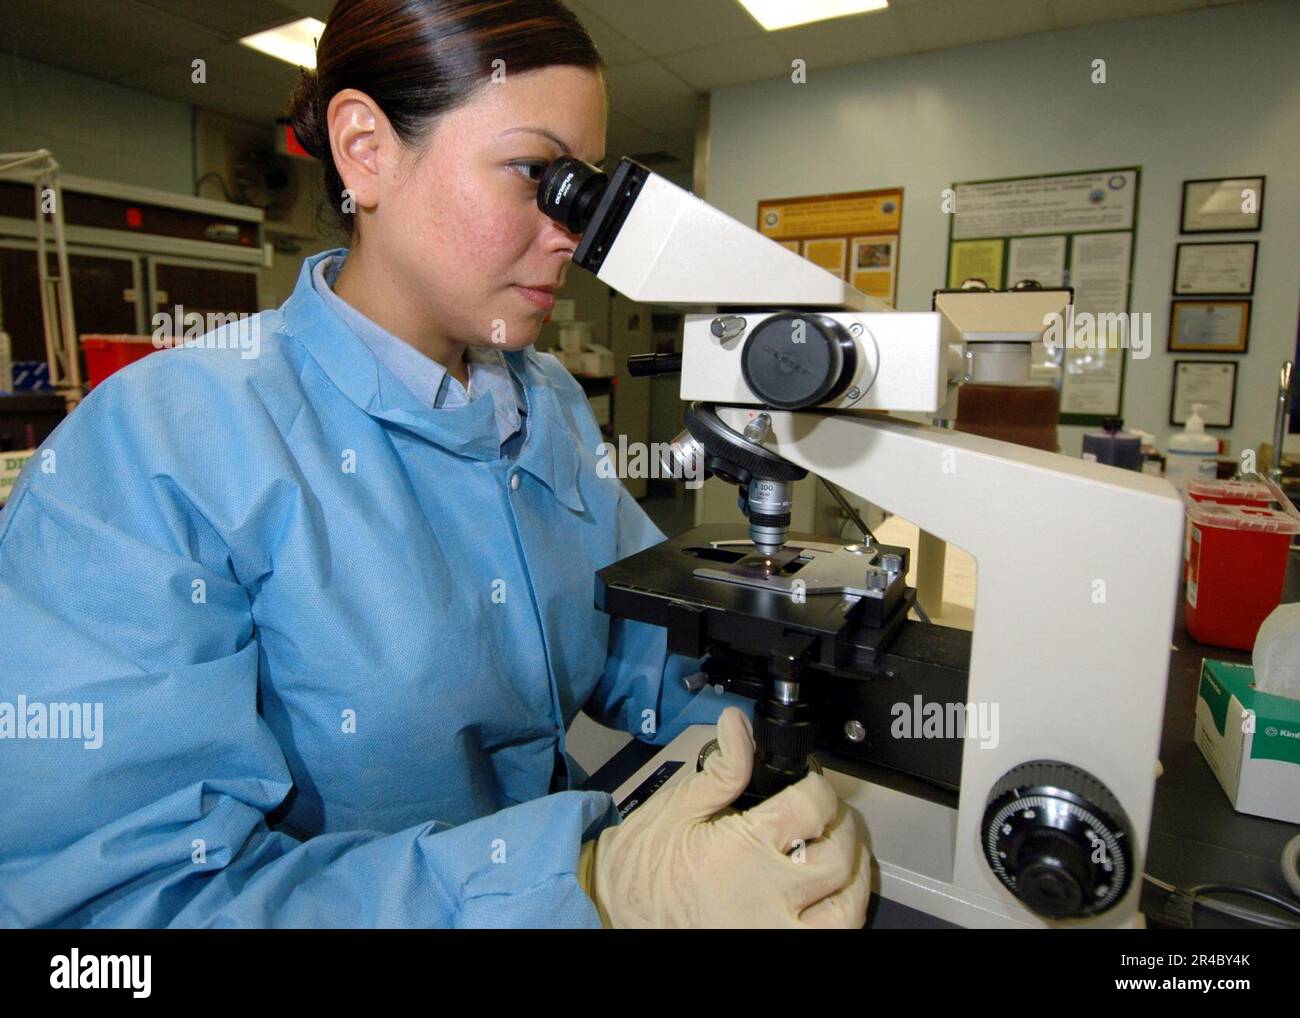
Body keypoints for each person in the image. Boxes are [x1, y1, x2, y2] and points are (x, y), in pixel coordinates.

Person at [0, 0, 869, 928]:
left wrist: (765, 754)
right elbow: (118, 912)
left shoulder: (547, 402)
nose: (572, 236)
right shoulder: (154, 446)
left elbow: (642, 650)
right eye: (535, 174)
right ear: (366, 149)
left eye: (582, 190)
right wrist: (586, 890)